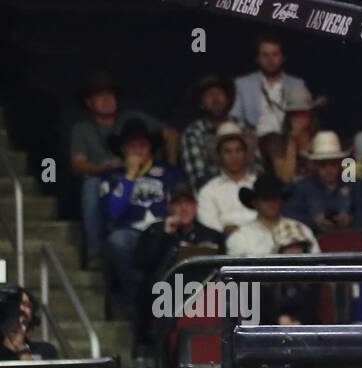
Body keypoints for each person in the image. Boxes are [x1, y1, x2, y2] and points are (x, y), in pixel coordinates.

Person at [69, 70, 173, 266]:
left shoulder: (132, 118)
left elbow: (171, 134)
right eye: (100, 96)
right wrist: (108, 167)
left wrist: (170, 164)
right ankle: (96, 252)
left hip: (143, 175)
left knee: (166, 180)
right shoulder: (82, 128)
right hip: (105, 177)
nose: (107, 99)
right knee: (92, 185)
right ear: (89, 102)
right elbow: (78, 166)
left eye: (110, 94)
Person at [98, 119, 185, 320]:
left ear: (150, 148)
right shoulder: (111, 177)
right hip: (131, 233)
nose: (138, 151)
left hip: (164, 231)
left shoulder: (169, 173)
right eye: (132, 146)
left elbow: (184, 203)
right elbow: (112, 213)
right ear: (122, 149)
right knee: (116, 240)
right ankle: (135, 298)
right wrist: (129, 176)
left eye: (143, 145)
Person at [132, 184, 225, 348]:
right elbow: (142, 264)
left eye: (188, 203)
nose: (183, 208)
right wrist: (165, 236)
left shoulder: (212, 235)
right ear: (169, 207)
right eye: (177, 203)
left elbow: (221, 268)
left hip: (204, 293)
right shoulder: (154, 232)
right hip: (165, 293)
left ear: (196, 206)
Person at [284, 132, 362, 234]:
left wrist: (352, 219)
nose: (329, 169)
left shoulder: (355, 184)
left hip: (351, 241)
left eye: (333, 164)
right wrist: (312, 222)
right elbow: (289, 214)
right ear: (315, 165)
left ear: (340, 163)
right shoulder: (303, 186)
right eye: (323, 165)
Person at [180, 75, 259, 188]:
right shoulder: (193, 133)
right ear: (201, 104)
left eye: (219, 93)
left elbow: (257, 167)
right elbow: (198, 177)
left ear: (228, 100)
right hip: (212, 194)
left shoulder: (245, 127)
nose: (215, 98)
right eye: (209, 95)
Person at [230, 35, 312, 141]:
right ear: (257, 58)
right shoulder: (243, 84)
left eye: (275, 54)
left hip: (289, 142)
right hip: (255, 143)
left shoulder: (297, 84)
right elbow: (235, 117)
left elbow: (306, 119)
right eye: (265, 55)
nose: (270, 60)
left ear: (282, 57)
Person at [225, 174, 319, 257]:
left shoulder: (302, 230)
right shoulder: (241, 237)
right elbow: (237, 274)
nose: (271, 204)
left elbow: (317, 266)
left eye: (275, 198)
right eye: (265, 199)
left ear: (281, 200)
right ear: (255, 203)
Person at [196, 123, 258, 235]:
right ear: (219, 156)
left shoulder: (258, 184)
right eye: (227, 152)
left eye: (238, 150)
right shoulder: (208, 191)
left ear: (245, 154)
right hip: (224, 246)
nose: (234, 156)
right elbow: (208, 225)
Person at [263, 85, 323, 185]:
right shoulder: (277, 142)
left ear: (310, 115)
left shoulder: (321, 140)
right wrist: (292, 143)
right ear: (288, 116)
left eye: (302, 113)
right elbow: (285, 180)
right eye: (293, 113)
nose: (297, 118)